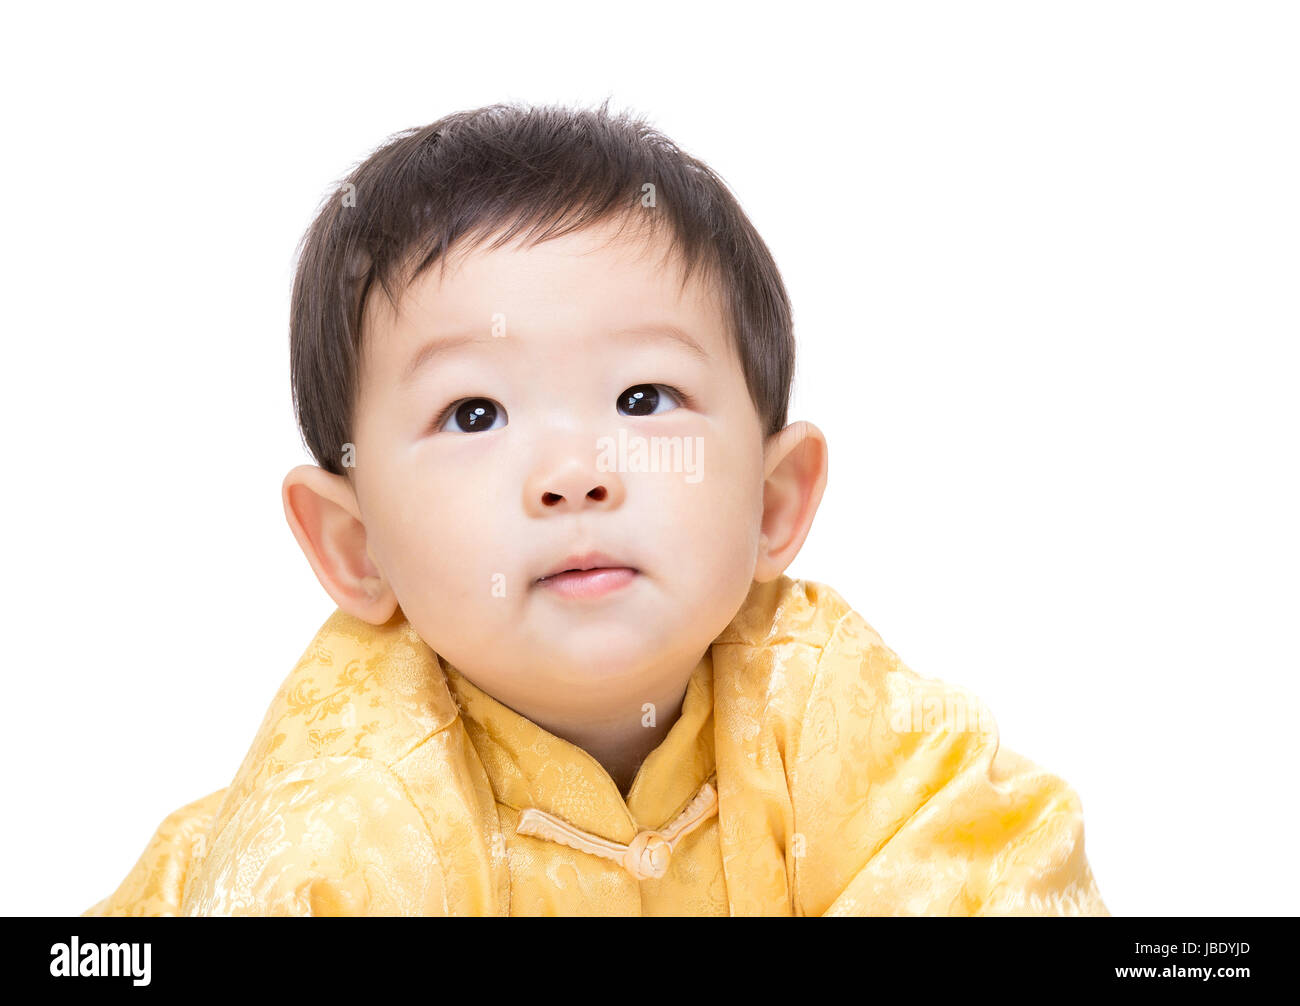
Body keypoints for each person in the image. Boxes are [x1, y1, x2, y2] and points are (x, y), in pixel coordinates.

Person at [83, 100, 1107, 916]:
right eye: (474, 412)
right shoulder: (342, 813)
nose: (576, 472)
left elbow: (996, 865)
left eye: (642, 399)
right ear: (356, 548)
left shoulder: (824, 702)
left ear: (774, 501)